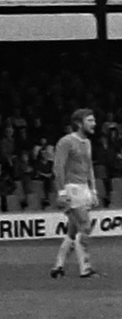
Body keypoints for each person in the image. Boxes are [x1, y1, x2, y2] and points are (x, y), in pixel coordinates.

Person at [50, 108, 99, 280]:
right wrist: (62, 191)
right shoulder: (66, 142)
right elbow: (58, 167)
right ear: (79, 123)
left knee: (73, 231)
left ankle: (58, 267)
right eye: (90, 121)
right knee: (85, 226)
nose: (94, 124)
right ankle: (85, 269)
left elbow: (89, 167)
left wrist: (93, 190)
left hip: (83, 188)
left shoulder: (87, 143)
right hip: (72, 189)